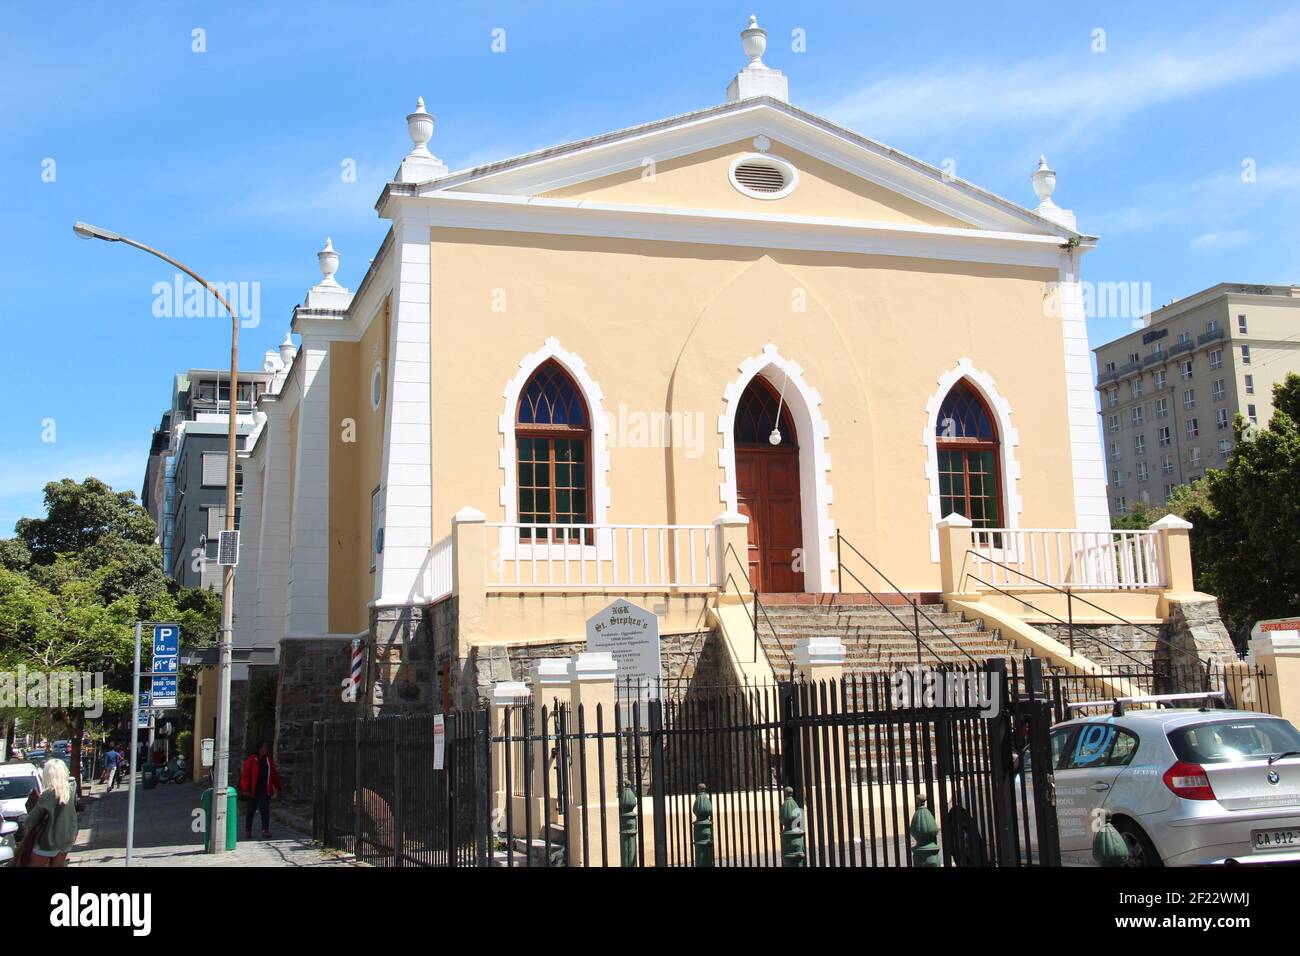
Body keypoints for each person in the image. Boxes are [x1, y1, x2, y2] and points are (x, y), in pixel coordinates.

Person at [17, 759, 78, 866]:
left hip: (48, 840)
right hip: (67, 837)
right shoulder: (71, 788)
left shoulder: (48, 794)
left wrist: (26, 822)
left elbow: (32, 819)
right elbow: (72, 781)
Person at [239, 743, 281, 838]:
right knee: (250, 810)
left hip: (265, 790)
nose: (267, 750)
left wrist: (278, 787)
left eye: (267, 748)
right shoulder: (251, 760)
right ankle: (248, 830)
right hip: (253, 790)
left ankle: (265, 829)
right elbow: (245, 776)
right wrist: (245, 788)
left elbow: (274, 775)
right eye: (265, 748)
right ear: (260, 749)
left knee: (264, 810)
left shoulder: (269, 762)